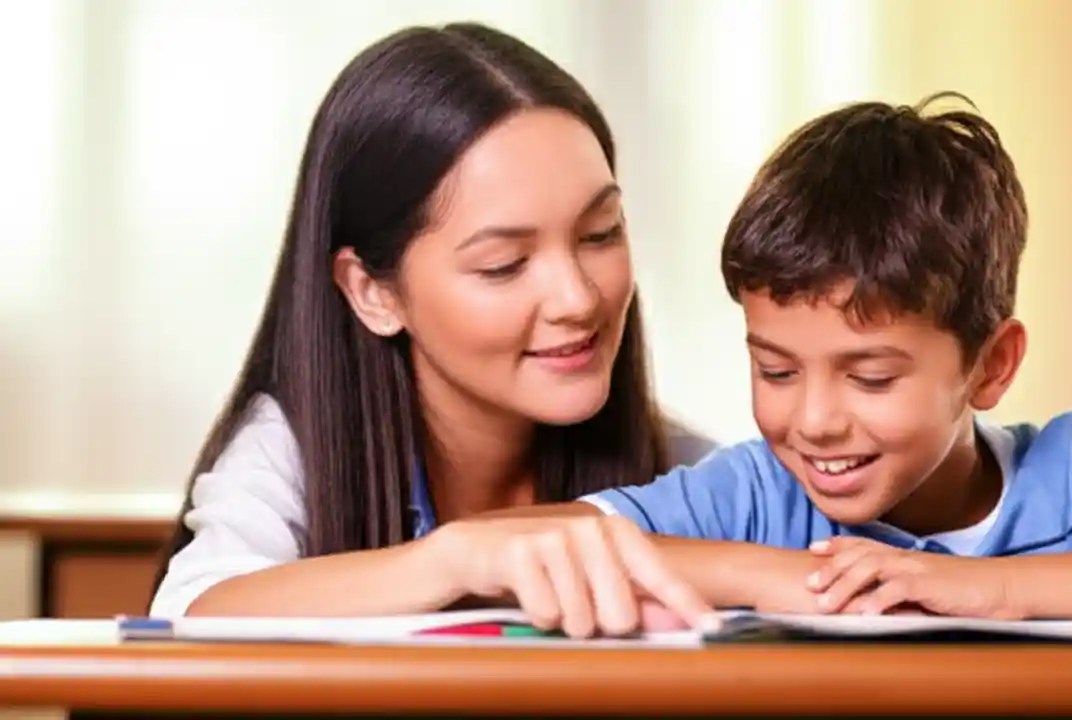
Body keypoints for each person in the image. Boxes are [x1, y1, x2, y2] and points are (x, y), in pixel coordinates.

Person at [475, 93, 1072, 629]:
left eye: (871, 378)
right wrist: (763, 575)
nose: (815, 421)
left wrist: (990, 590)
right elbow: (509, 545)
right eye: (777, 371)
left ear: (991, 366)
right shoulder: (753, 496)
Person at [149, 23, 716, 631]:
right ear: (373, 291)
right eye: (504, 264)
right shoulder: (293, 449)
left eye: (600, 234)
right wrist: (454, 559)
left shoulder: (684, 467)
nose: (577, 298)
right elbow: (189, 615)